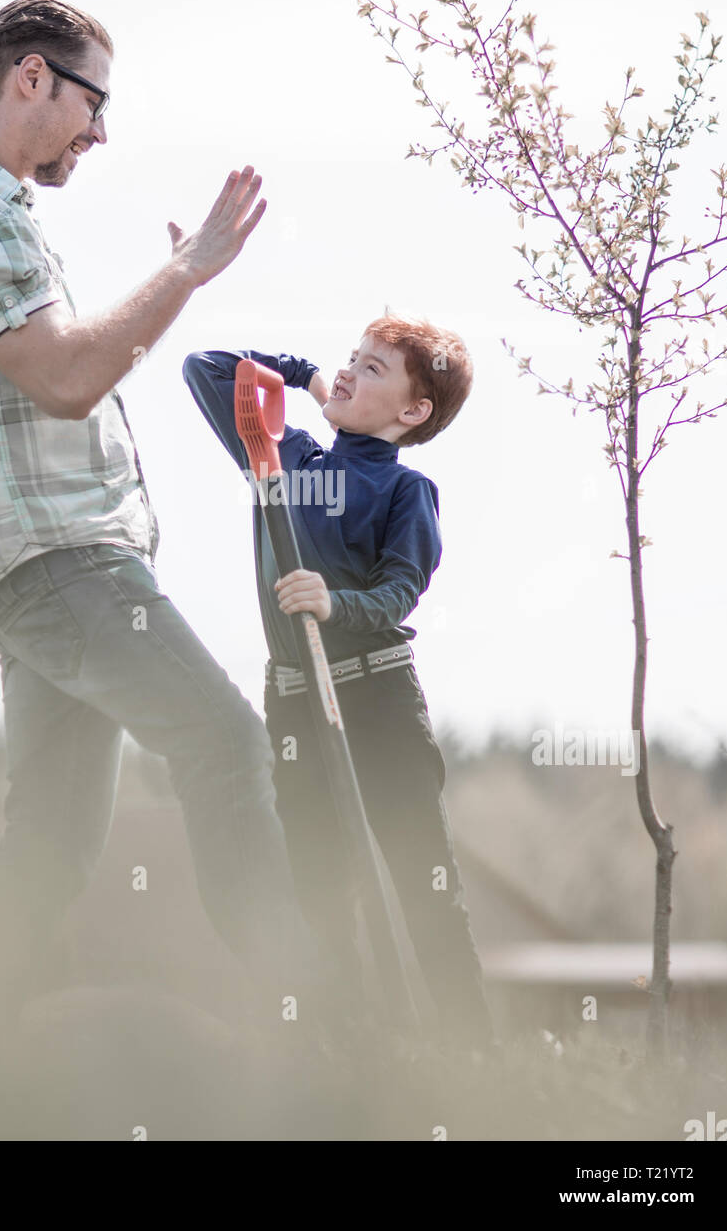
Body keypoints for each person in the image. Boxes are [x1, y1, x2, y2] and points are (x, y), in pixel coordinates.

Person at [0, 0, 338, 1026]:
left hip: (38, 569)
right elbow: (66, 377)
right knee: (225, 743)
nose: (100, 131)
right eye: (94, 102)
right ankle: (332, 1041)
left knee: (51, 839)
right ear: (32, 77)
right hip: (56, 564)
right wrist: (186, 270)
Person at [182, 316, 497, 1052]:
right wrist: (300, 373)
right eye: (351, 359)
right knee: (323, 885)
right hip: (294, 698)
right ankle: (359, 1058)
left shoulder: (407, 491)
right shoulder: (283, 455)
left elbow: (396, 595)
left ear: (413, 412)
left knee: (425, 883)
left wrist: (333, 603)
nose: (350, 371)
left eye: (374, 370)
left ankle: (473, 1061)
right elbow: (204, 367)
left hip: (378, 698)